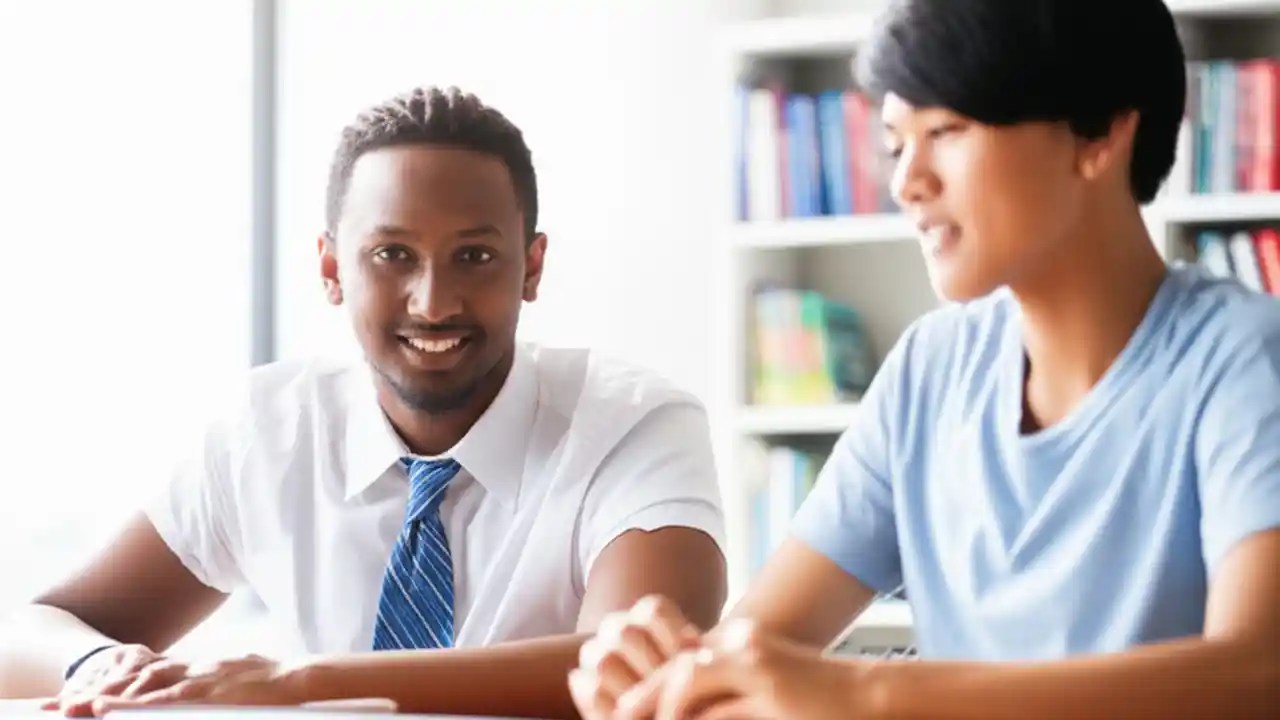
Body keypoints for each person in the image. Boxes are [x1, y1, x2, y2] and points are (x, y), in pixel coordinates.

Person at [570, 1, 1280, 718]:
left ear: (1098, 134)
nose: (908, 182)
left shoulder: (1244, 358)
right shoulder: (930, 369)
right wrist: (665, 681)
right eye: (895, 143)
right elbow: (755, 646)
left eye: (945, 132)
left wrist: (869, 691)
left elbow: (1259, 668)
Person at [0, 86, 727, 718]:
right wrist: (93, 666)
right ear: (331, 268)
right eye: (393, 255)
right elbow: (32, 630)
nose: (434, 302)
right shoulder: (267, 430)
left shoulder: (635, 425)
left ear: (531, 267)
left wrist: (303, 687)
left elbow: (635, 674)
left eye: (474, 256)